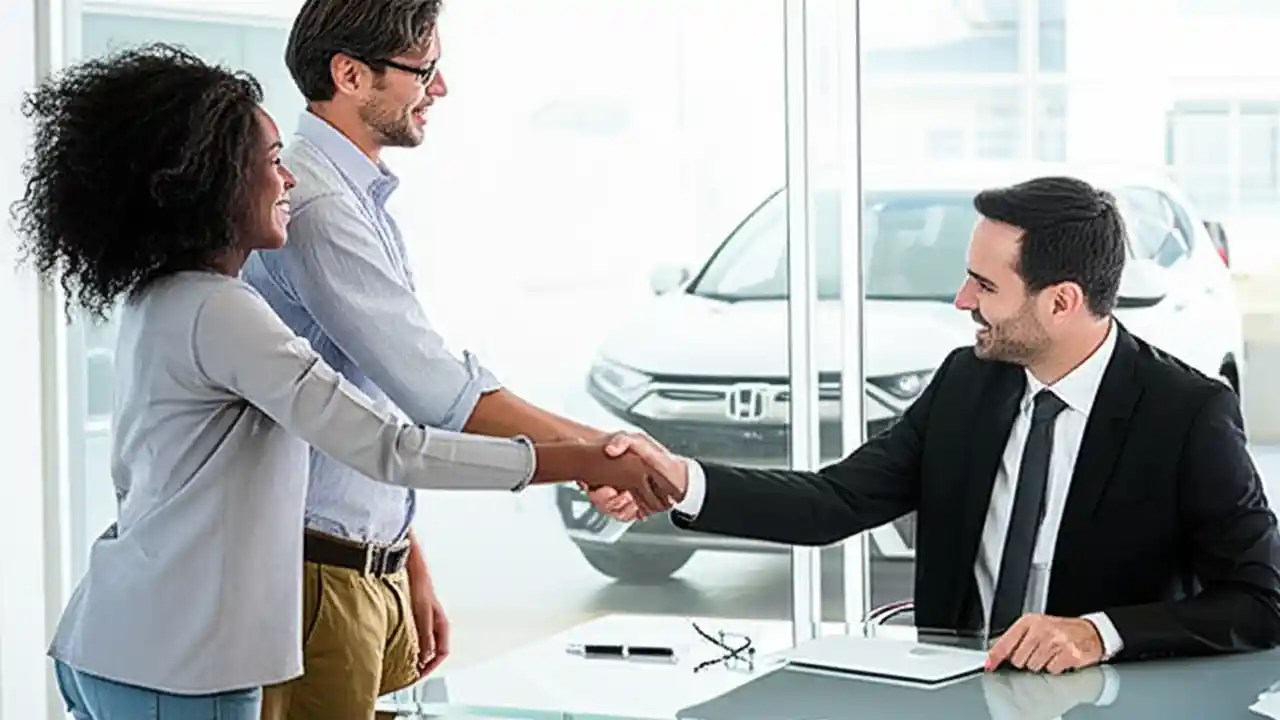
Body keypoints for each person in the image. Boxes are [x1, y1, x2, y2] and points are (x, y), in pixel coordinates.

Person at [12, 44, 670, 720]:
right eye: (270, 164)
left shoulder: (164, 299)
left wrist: (404, 552)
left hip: (112, 644)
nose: (289, 181)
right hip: (183, 667)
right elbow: (387, 446)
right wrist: (580, 459)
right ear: (208, 181)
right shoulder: (223, 311)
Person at [604, 175, 1280, 674]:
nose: (963, 300)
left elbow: (1260, 599)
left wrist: (1097, 632)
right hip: (955, 697)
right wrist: (681, 480)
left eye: (985, 286)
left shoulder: (1185, 413)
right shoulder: (967, 383)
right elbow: (834, 501)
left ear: (1061, 302)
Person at [240, 2, 632, 717]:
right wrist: (601, 455)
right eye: (424, 70)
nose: (440, 89)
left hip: (360, 565)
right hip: (318, 577)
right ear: (350, 74)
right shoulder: (320, 207)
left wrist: (404, 558)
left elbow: (365, 401)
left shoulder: (353, 196)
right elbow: (441, 395)